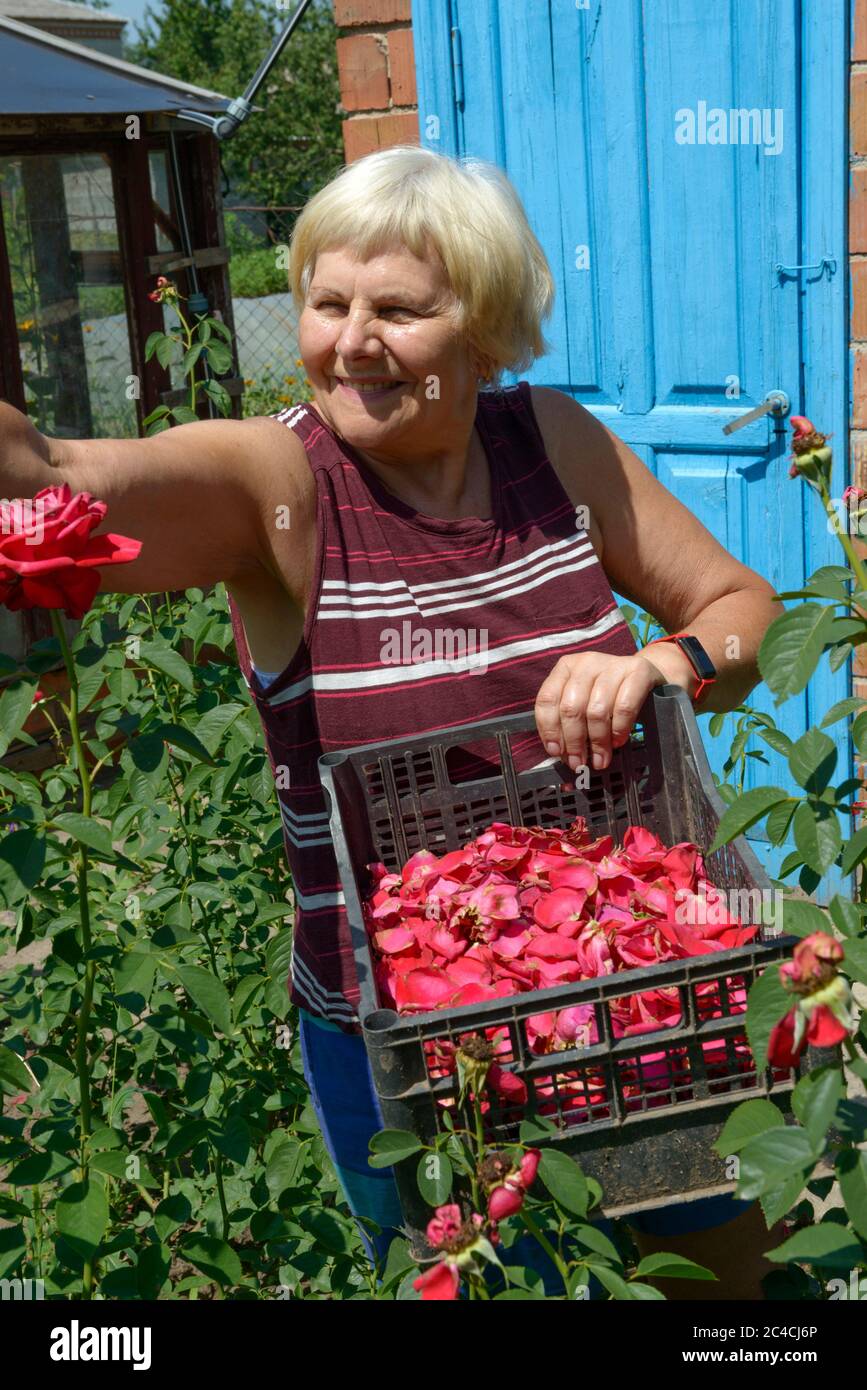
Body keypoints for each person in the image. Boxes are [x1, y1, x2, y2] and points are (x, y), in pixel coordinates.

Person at [1, 144, 785, 1298]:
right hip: (410, 1051)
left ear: (485, 327)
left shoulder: (551, 444)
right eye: (326, 300)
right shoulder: (279, 486)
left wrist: (666, 663)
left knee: (720, 1285)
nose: (350, 339)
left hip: (637, 1001)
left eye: (398, 309)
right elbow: (54, 473)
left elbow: (741, 609)